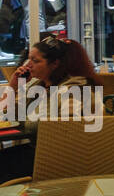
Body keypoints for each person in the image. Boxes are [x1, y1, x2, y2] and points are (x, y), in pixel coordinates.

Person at [0, 36, 100, 181]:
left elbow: (64, 131)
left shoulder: (74, 89)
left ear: (54, 64)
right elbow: (9, 117)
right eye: (29, 59)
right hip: (39, 152)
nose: (28, 65)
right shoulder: (39, 86)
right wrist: (14, 86)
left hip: (58, 160)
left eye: (35, 61)